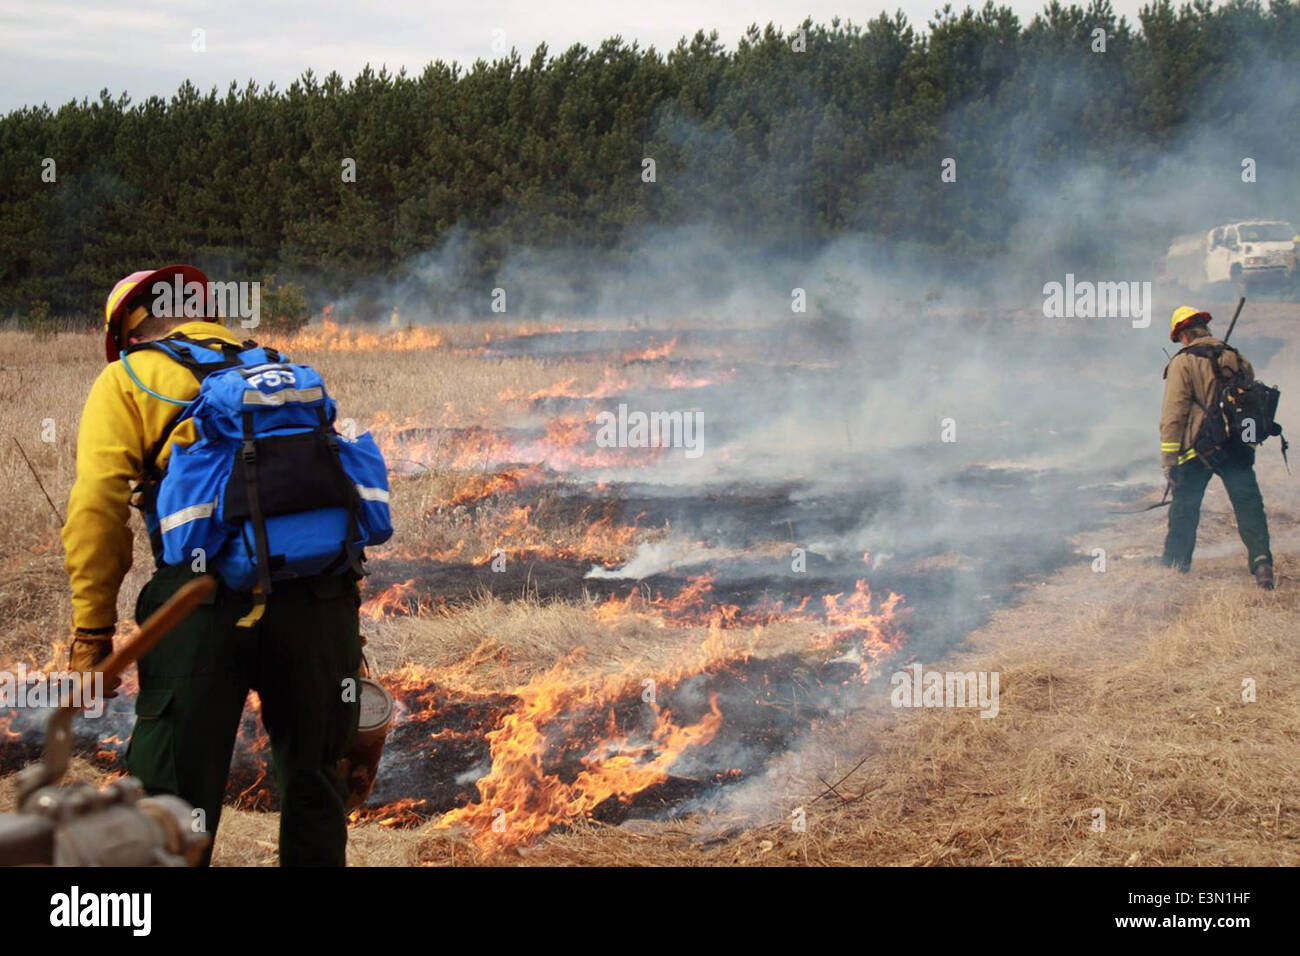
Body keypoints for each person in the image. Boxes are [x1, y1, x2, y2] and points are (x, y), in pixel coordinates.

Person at [63, 264, 362, 865]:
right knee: (316, 784)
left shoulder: (130, 378)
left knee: (173, 798)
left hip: (196, 607)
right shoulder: (282, 371)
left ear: (127, 330)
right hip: (319, 600)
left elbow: (97, 510)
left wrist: (92, 632)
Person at [1160, 305, 1273, 588]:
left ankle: (1176, 563)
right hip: (1236, 446)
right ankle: (1262, 562)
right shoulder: (1234, 356)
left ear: (1183, 335)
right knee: (1249, 505)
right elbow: (1252, 402)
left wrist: (1169, 460)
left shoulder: (1182, 362)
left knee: (1185, 505)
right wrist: (1248, 446)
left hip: (1198, 449)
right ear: (1204, 329)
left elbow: (1174, 414)